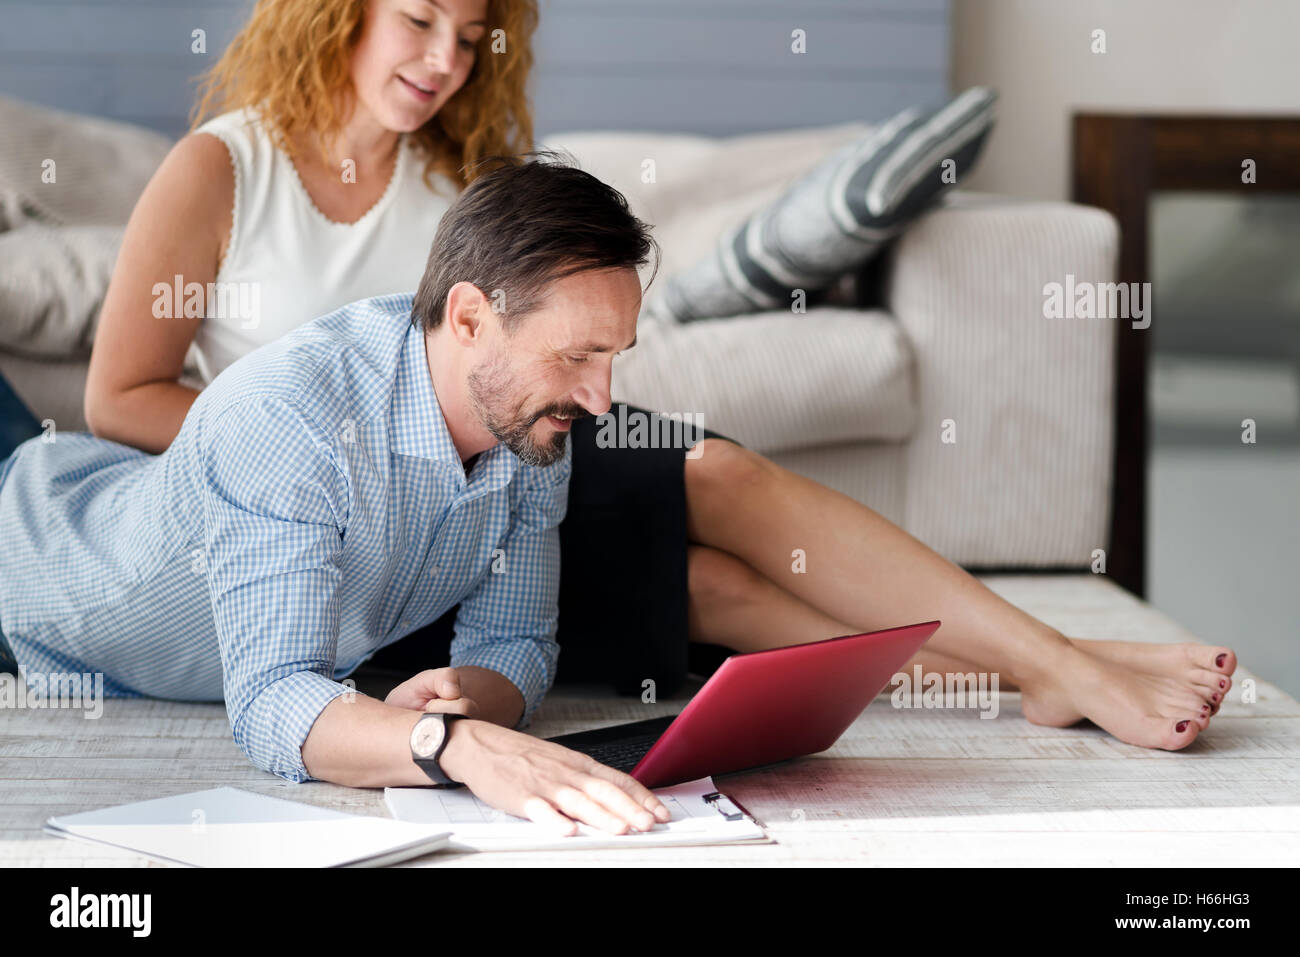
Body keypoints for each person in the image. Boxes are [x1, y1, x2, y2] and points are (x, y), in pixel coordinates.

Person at [72, 0, 1234, 752]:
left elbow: (554, 322)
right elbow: (117, 398)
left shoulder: (463, 173)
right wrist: (338, 462)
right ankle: (1024, 675)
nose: (440, 60)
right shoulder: (225, 168)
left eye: (470, 37)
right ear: (336, 14)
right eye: (415, 20)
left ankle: (1059, 658)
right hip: (352, 489)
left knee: (715, 468)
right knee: (701, 591)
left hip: (512, 438)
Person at [0, 155, 676, 835]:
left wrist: (460, 706)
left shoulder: (533, 430)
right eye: (575, 356)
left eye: (613, 356)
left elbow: (515, 640)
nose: (600, 398)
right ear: (470, 317)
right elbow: (270, 701)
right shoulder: (289, 417)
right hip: (25, 566)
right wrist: (454, 749)